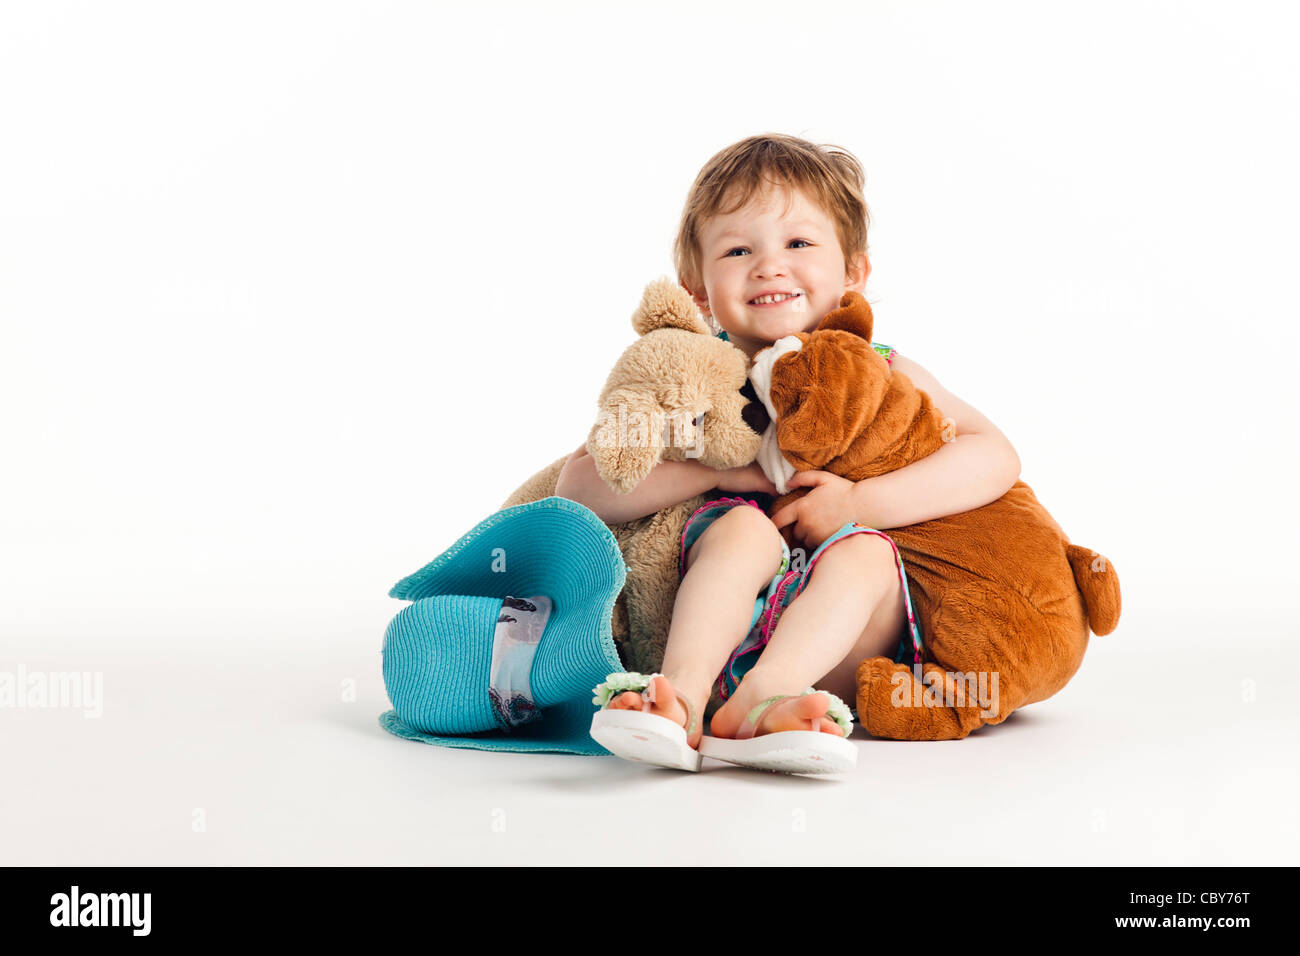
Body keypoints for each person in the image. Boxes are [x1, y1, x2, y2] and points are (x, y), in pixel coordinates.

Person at [555, 133, 1021, 759]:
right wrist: (723, 472)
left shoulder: (879, 372)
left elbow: (993, 455)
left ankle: (766, 700)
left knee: (867, 556)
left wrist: (862, 503)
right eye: (738, 249)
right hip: (710, 629)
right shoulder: (693, 377)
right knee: (741, 532)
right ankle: (682, 699)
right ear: (697, 287)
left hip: (838, 649)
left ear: (853, 270)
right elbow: (580, 489)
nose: (769, 265)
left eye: (799, 243)